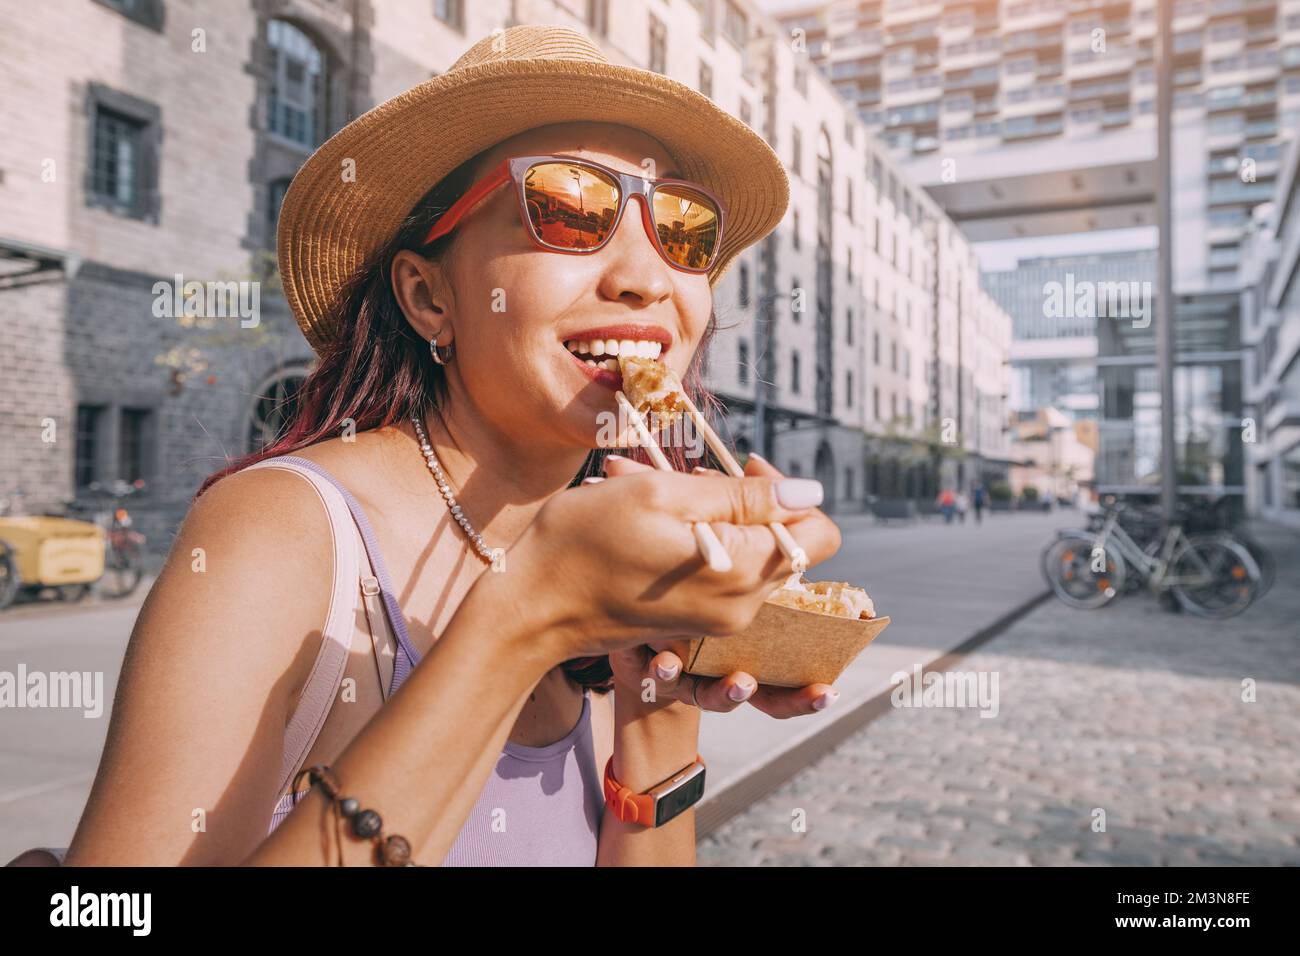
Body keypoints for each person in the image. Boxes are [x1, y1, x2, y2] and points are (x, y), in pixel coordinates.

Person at [55, 26, 841, 868]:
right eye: (571, 208)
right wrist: (524, 619)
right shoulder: (280, 531)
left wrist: (657, 701)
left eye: (682, 228)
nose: (647, 277)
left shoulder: (625, 568)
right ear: (429, 297)